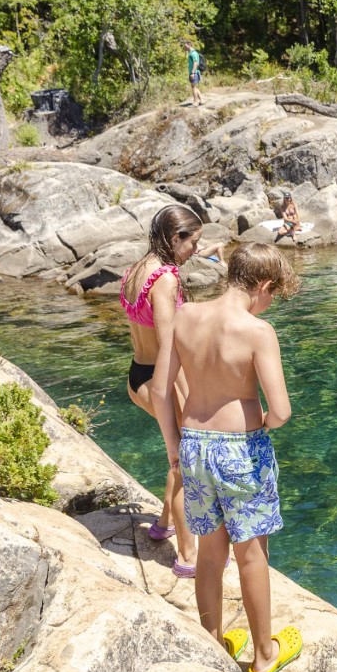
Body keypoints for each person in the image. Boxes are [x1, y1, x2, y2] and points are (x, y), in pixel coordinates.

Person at [153, 243, 303, 672]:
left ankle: (212, 640)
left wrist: (173, 447)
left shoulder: (185, 316)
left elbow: (163, 391)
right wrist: (262, 426)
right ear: (263, 285)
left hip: (194, 445)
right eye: (274, 295)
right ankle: (262, 655)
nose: (270, 303)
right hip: (240, 449)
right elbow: (281, 410)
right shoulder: (258, 331)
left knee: (210, 550)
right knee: (252, 554)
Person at [120, 205, 222, 577]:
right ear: (174, 238)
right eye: (193, 242)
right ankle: (188, 556)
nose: (196, 249)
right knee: (185, 462)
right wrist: (188, 398)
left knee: (182, 459)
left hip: (138, 372)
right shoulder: (165, 279)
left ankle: (163, 524)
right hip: (158, 379)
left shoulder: (137, 269)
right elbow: (169, 350)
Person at [184, 40, 204, 106]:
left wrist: (192, 73)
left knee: (193, 87)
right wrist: (186, 52)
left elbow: (195, 63)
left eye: (185, 46)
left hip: (194, 73)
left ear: (189, 45)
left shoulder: (193, 53)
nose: (184, 47)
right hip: (194, 72)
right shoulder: (190, 53)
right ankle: (201, 100)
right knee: (195, 87)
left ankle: (195, 101)